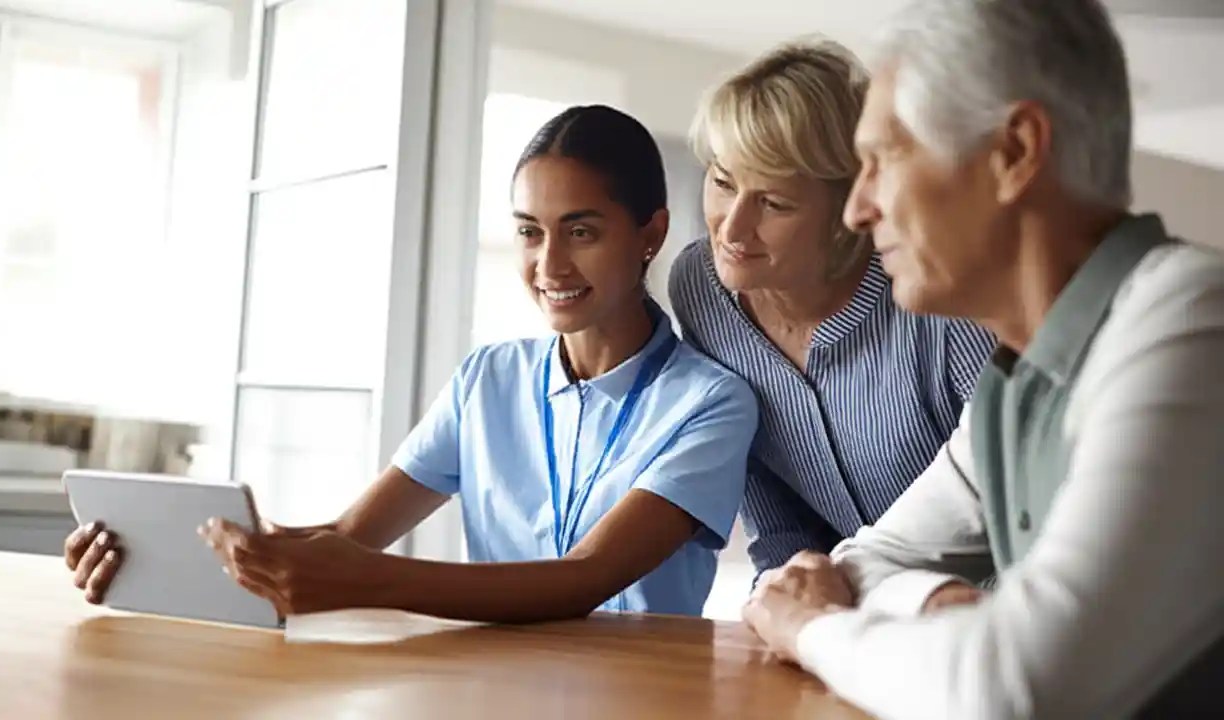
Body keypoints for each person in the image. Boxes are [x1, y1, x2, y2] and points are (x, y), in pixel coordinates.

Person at [65, 105, 758, 622]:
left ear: (651, 233)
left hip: (638, 694)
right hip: (489, 686)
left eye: (580, 231)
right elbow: (345, 538)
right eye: (528, 232)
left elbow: (586, 577)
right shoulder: (488, 380)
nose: (549, 264)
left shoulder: (711, 403)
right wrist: (158, 554)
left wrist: (370, 581)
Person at [743, 1, 1224, 718]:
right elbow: (857, 562)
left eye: (882, 160)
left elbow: (1012, 687)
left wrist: (816, 630)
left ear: (1016, 153)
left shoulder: (1192, 321)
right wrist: (936, 600)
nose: (857, 210)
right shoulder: (1013, 382)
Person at [668, 40, 995, 575]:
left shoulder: (940, 301)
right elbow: (762, 486)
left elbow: (1022, 507)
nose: (731, 228)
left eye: (773, 202)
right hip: (837, 612)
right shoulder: (700, 286)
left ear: (852, 208)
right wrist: (786, 591)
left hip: (978, 618)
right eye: (723, 183)